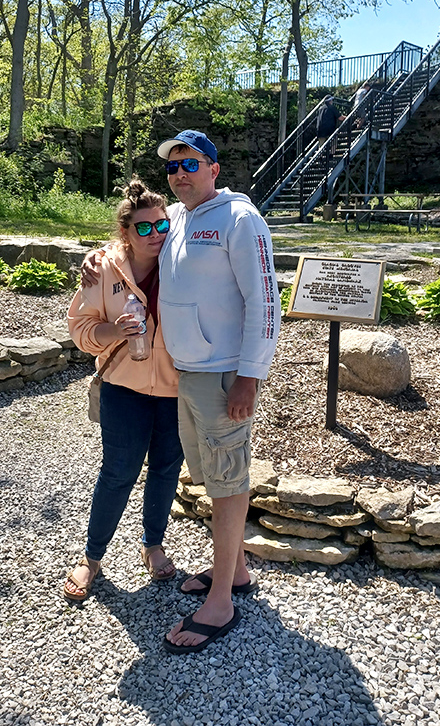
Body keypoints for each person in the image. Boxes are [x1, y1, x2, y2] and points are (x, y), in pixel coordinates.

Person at [156, 129, 280, 654]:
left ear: (214, 169)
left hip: (225, 372)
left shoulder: (239, 218)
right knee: (211, 475)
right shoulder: (179, 218)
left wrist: (251, 375)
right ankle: (239, 571)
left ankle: (222, 601)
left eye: (191, 164)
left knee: (229, 483)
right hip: (189, 370)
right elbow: (135, 240)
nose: (180, 174)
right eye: (173, 167)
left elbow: (266, 300)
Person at [63, 179, 183, 602]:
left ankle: (154, 545)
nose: (156, 235)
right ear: (125, 233)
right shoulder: (102, 268)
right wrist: (112, 330)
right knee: (117, 474)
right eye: (144, 228)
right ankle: (92, 557)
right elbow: (80, 328)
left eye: (161, 225)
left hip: (176, 389)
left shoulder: (182, 256)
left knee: (166, 470)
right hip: (123, 388)